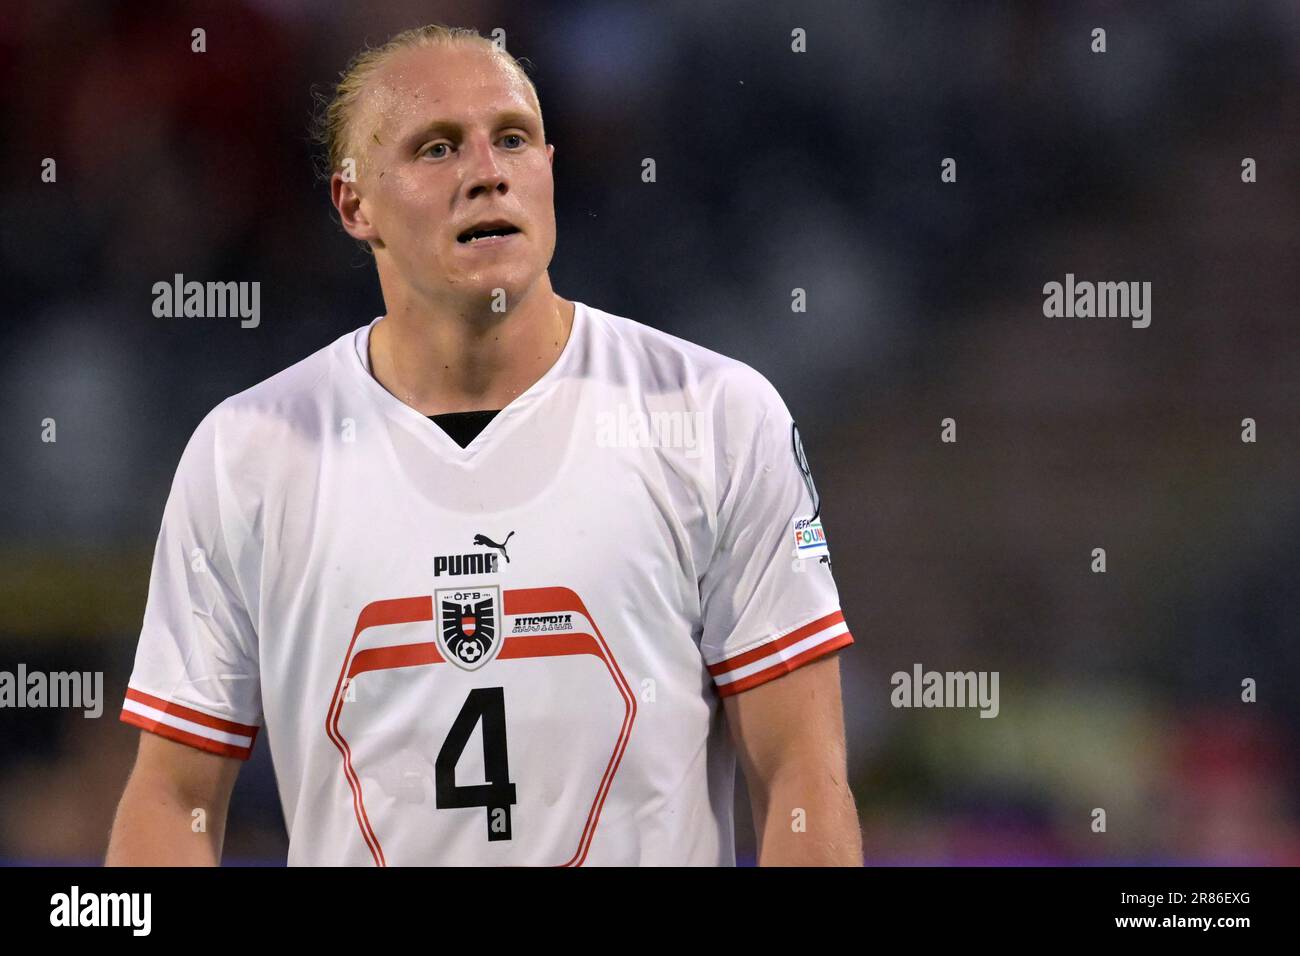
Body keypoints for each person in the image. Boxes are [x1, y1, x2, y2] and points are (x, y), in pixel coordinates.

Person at [107, 24, 861, 866]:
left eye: (512, 138)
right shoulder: (249, 453)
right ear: (353, 203)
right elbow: (173, 798)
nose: (486, 172)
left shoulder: (715, 417)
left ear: (548, 168)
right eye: (437, 149)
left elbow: (802, 775)